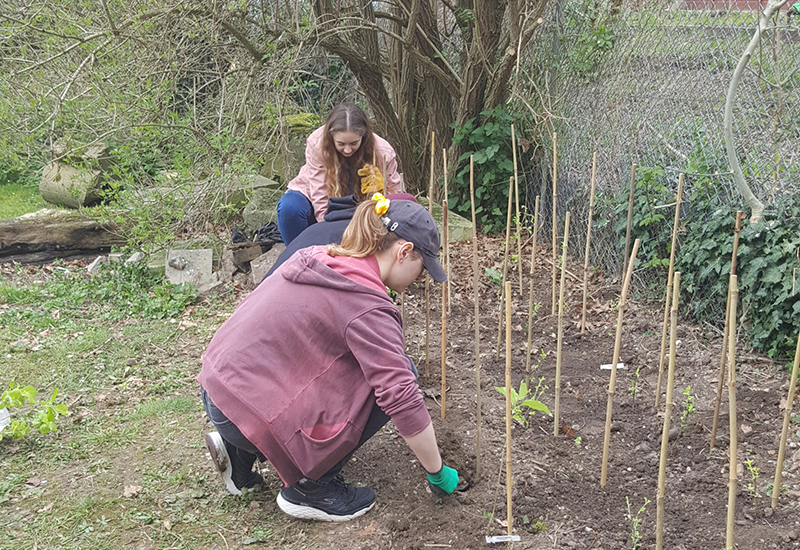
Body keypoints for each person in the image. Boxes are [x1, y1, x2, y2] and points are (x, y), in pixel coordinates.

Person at [199, 194, 458, 522]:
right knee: (399, 373)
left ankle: (240, 450)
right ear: (405, 252)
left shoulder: (320, 257)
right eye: (422, 270)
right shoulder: (366, 303)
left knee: (347, 365)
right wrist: (436, 470)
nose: (418, 281)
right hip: (244, 411)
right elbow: (399, 395)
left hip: (218, 388)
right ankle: (309, 487)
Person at [277, 103, 404, 244]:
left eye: (354, 143)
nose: (348, 150)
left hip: (359, 210)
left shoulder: (382, 151)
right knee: (289, 208)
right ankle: (296, 258)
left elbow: (395, 193)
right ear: (331, 137)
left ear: (364, 136)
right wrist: (327, 234)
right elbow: (320, 196)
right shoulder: (317, 143)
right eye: (341, 144)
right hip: (317, 202)